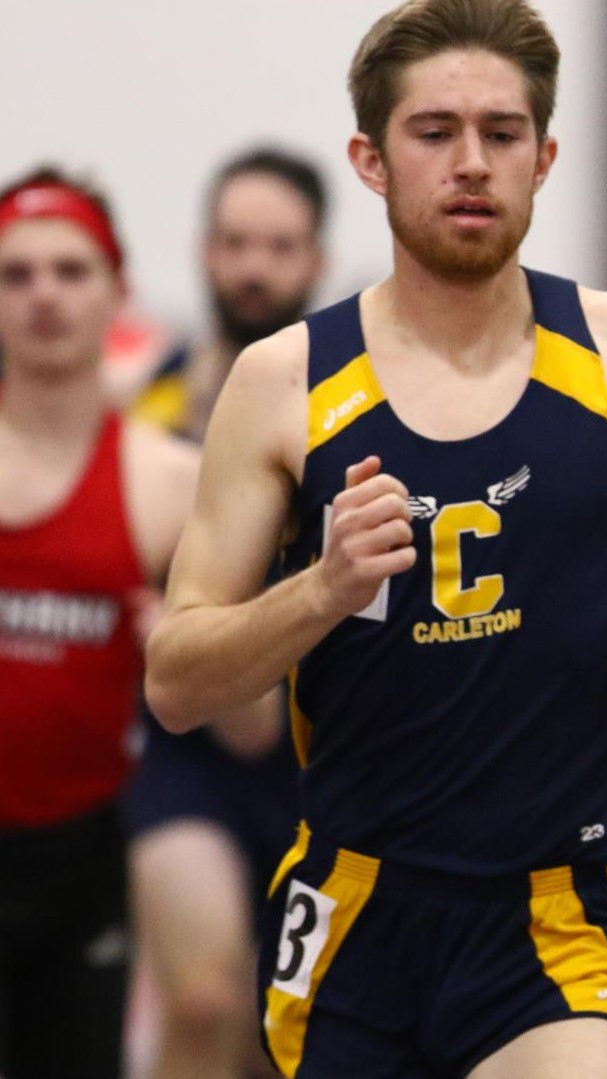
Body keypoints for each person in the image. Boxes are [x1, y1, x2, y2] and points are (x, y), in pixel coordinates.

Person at [142, 2, 607, 1077]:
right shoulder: (285, 380)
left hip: (555, 908)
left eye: (501, 133)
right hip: (359, 903)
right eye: (435, 134)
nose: (471, 163)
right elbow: (178, 680)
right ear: (371, 161)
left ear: (546, 155)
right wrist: (321, 588)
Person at [122, 147, 330, 1079]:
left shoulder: (354, 408)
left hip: (316, 746)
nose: (255, 268)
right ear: (204, 253)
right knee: (204, 999)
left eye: (279, 246)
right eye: (236, 243)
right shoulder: (146, 411)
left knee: (282, 1028)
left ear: (316, 258)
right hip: (183, 749)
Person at [0, 167, 200, 1078]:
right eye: (17, 273)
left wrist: (187, 647)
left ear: (118, 291)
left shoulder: (169, 481)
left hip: (89, 855)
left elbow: (244, 718)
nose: (44, 295)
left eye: (69, 271)